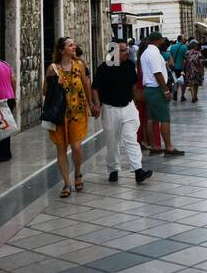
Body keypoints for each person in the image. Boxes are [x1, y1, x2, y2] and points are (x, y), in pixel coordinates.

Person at [91, 39, 153, 185]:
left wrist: (137, 103)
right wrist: (97, 105)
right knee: (112, 141)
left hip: (128, 107)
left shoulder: (130, 66)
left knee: (131, 139)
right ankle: (113, 169)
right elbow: (94, 88)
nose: (127, 52)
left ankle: (138, 171)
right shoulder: (104, 68)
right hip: (110, 109)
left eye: (126, 49)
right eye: (123, 50)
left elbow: (133, 86)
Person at [44, 37, 98, 197]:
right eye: (70, 45)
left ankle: (78, 173)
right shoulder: (52, 69)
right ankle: (66, 184)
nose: (74, 46)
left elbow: (86, 85)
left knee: (76, 147)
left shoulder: (79, 65)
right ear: (62, 50)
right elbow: (45, 91)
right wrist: (56, 84)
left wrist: (92, 104)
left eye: (73, 44)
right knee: (61, 149)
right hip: (59, 115)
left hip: (77, 113)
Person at [141, 33, 184, 156]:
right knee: (165, 119)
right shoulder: (154, 54)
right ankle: (168, 147)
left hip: (149, 89)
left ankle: (154, 146)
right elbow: (157, 73)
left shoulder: (145, 53)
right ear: (158, 40)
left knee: (151, 118)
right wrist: (165, 91)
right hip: (156, 89)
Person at [169, 35, 189, 101]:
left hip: (174, 67)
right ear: (181, 39)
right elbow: (185, 59)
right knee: (183, 82)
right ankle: (182, 96)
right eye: (184, 39)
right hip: (182, 67)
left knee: (176, 81)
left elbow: (170, 57)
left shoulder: (172, 47)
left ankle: (175, 91)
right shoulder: (184, 47)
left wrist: (173, 65)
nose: (185, 40)